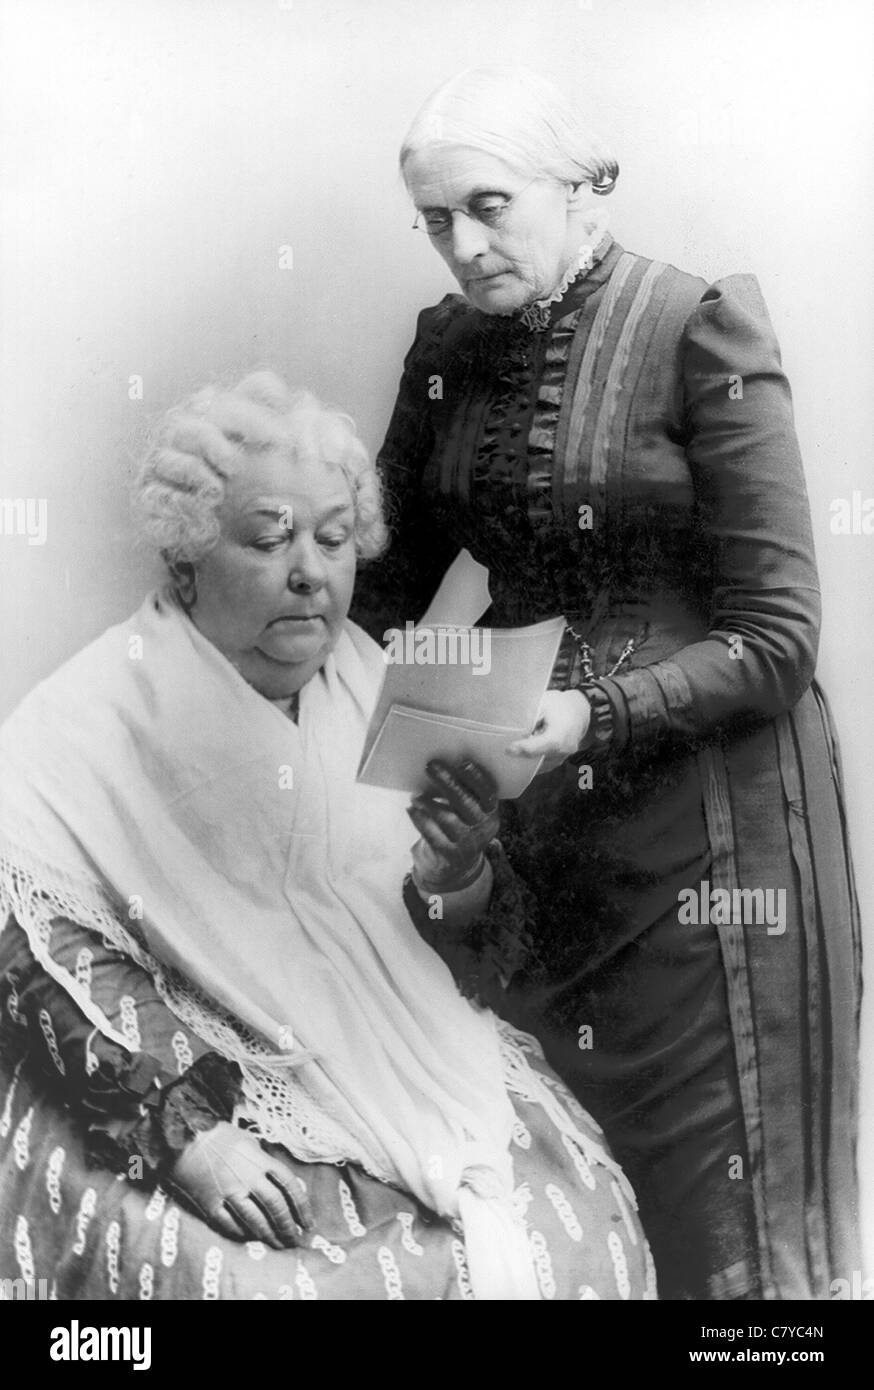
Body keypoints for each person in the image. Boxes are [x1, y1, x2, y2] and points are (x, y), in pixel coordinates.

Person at [350, 65, 862, 1300]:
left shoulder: (700, 327)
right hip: (536, 847)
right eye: (433, 220)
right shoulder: (446, 354)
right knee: (571, 1229)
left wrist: (595, 710)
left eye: (487, 206)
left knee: (722, 1251)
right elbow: (381, 595)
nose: (461, 247)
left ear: (590, 191)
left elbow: (777, 634)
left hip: (715, 852)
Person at [0, 372, 652, 1301]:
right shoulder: (89, 718)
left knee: (581, 1236)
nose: (311, 571)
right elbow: (37, 953)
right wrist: (191, 1140)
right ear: (186, 561)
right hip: (184, 1078)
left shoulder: (377, 687)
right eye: (270, 539)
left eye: (335, 539)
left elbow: (472, 946)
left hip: (408, 1049)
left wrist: (455, 873)